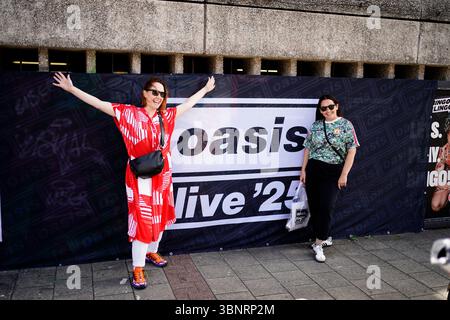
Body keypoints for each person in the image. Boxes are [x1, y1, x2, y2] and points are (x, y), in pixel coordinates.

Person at [53, 72, 215, 289]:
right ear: (145, 94)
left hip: (163, 175)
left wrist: (204, 90)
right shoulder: (128, 113)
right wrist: (72, 89)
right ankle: (138, 269)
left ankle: (152, 252)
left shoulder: (166, 116)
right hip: (139, 176)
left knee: (160, 214)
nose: (158, 97)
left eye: (162, 94)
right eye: (154, 92)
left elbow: (188, 104)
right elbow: (100, 104)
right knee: (142, 220)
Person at [300, 95, 359, 262]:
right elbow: (307, 148)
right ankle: (324, 236)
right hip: (313, 169)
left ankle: (319, 243)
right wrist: (303, 170)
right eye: (323, 108)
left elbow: (352, 150)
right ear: (320, 110)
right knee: (315, 207)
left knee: (326, 206)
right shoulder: (316, 125)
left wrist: (344, 174)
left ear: (337, 106)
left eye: (330, 107)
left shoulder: (346, 124)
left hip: (333, 171)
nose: (327, 111)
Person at [431, 117, 450, 212]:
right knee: (435, 205)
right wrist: (444, 186)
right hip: (446, 184)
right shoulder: (444, 150)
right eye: (449, 135)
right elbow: (437, 174)